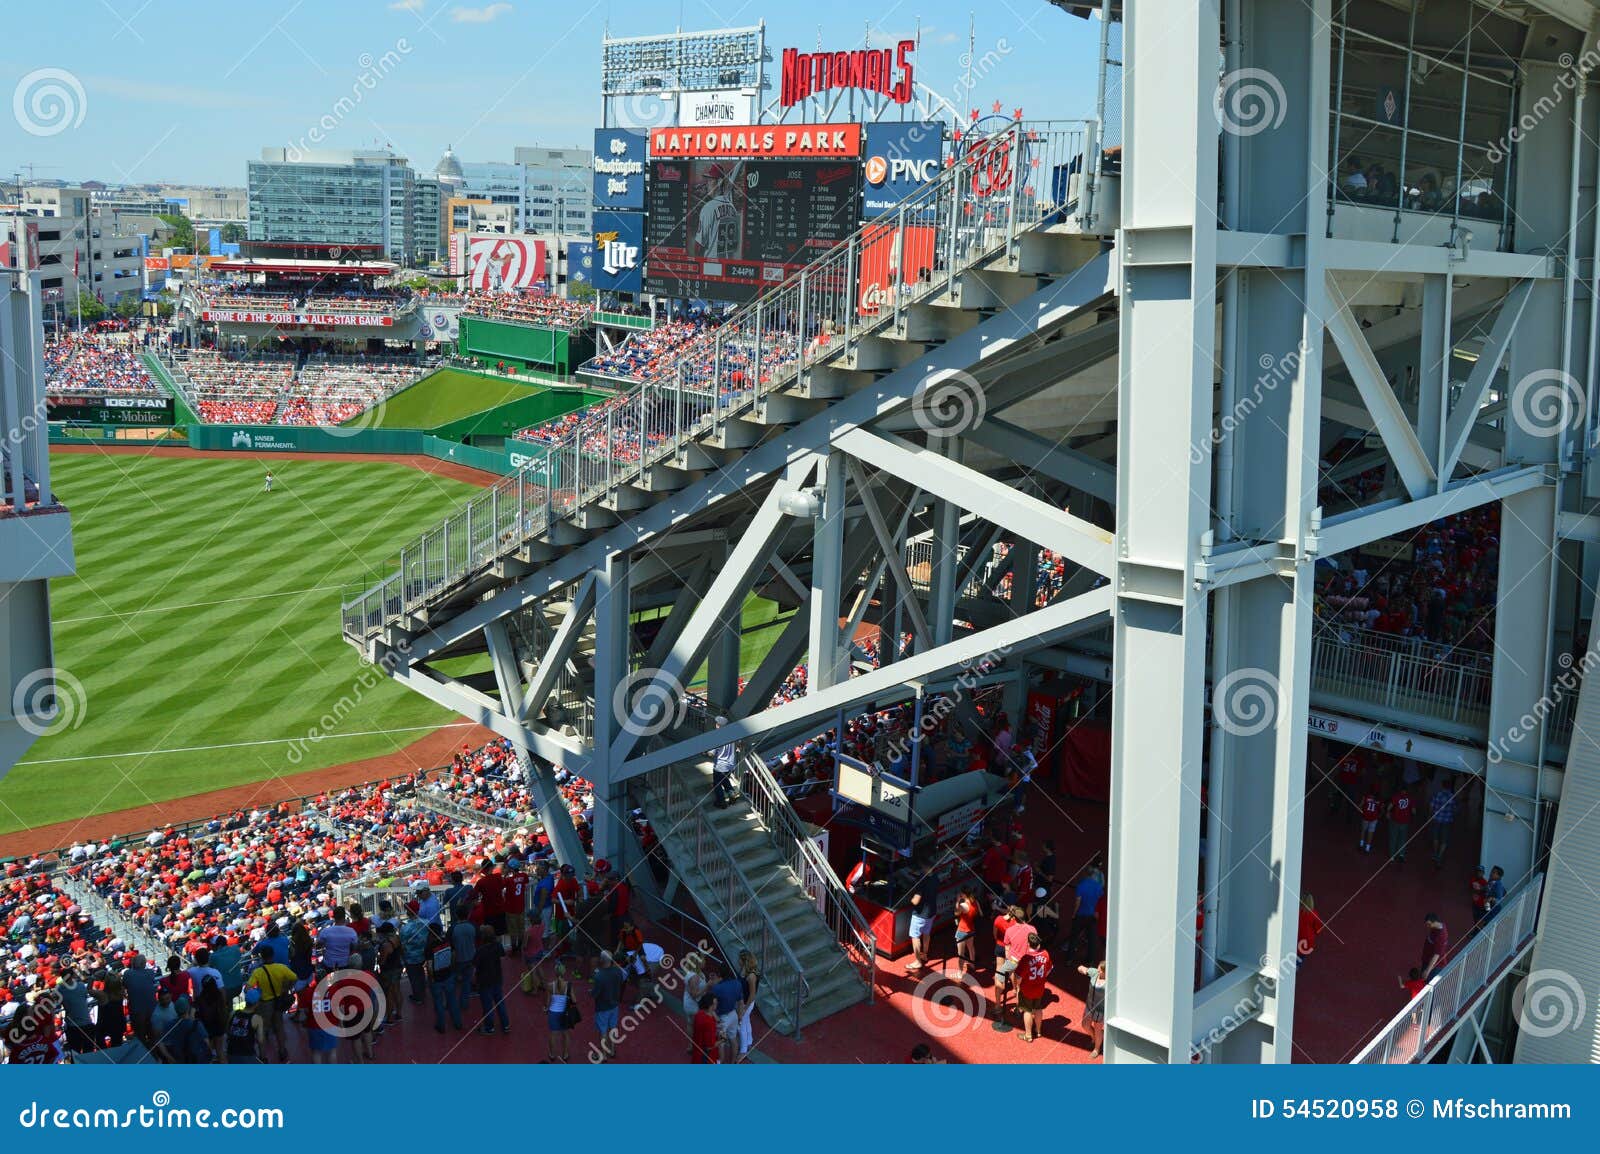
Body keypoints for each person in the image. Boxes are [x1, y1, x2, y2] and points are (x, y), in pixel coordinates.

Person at [243, 946, 297, 1062]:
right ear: (273, 955)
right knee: (279, 1027)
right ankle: (282, 1051)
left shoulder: (258, 972)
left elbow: (247, 988)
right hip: (278, 1002)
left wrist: (257, 993)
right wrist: (286, 988)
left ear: (261, 957)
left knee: (262, 1030)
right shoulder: (281, 968)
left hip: (264, 1004)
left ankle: (263, 1056)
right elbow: (294, 977)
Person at [1016, 931, 1053, 1043]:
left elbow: (1018, 976)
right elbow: (1049, 969)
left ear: (1028, 944)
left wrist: (1018, 986)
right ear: (1039, 944)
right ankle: (1038, 1031)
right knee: (1038, 1008)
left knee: (1027, 1011)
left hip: (1027, 988)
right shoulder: (1045, 954)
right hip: (1040, 987)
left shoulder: (1026, 958)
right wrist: (1042, 979)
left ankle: (1028, 1035)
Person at [474, 925, 510, 1035]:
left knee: (487, 1006)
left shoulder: (480, 951)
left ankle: (489, 1027)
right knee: (500, 1003)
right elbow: (503, 955)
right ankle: (505, 1025)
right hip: (497, 978)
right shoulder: (498, 946)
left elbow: (475, 966)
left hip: (485, 981)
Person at [591, 949, 626, 1059]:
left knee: (603, 1031)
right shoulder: (618, 971)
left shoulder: (599, 976)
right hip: (614, 1005)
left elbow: (594, 994)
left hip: (602, 1007)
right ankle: (612, 1050)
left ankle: (603, 1054)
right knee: (613, 1028)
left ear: (602, 960)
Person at [1065, 867, 1104, 966]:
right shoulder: (1099, 887)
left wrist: (1074, 914)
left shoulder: (1081, 885)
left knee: (1074, 937)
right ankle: (1090, 960)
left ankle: (1069, 959)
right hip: (1093, 916)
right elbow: (1101, 902)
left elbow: (1078, 902)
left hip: (1081, 915)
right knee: (1092, 939)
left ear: (1086, 874)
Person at [709, 965, 746, 1064]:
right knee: (733, 1039)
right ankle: (733, 1062)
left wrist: (716, 1019)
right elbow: (741, 1002)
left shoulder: (717, 988)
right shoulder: (737, 983)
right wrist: (740, 1017)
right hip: (733, 1014)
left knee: (721, 1043)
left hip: (722, 1018)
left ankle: (720, 1063)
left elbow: (711, 1005)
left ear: (719, 974)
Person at [56, 969, 96, 1054]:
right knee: (88, 1054)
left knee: (75, 1054)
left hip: (73, 1027)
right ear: (73, 976)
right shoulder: (81, 985)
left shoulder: (60, 990)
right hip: (85, 1025)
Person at [905, 869, 938, 972]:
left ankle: (917, 961)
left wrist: (909, 897)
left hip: (920, 914)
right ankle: (924, 954)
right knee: (926, 933)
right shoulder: (935, 877)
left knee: (915, 937)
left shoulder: (921, 881)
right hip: (931, 912)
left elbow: (915, 901)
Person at [226, 989, 268, 1063]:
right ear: (257, 1003)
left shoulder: (233, 1013)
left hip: (231, 1053)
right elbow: (260, 1041)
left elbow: (228, 1031)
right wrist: (263, 1057)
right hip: (247, 1055)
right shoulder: (257, 1019)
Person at [195, 976, 229, 1062]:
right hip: (219, 1026)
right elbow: (224, 1010)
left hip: (206, 1028)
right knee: (220, 1052)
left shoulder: (200, 998)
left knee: (208, 1054)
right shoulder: (219, 995)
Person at [1077, 960, 1107, 1058]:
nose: (1098, 972)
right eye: (1097, 969)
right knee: (1085, 1025)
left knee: (1098, 1029)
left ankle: (1097, 1049)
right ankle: (1095, 1037)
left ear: (1106, 972)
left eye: (1100, 971)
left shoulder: (1109, 981)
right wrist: (1081, 969)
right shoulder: (1095, 973)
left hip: (1100, 1010)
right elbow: (1082, 968)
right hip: (1089, 1006)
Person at [545, 963, 573, 1063]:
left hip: (553, 1012)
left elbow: (547, 1002)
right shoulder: (568, 985)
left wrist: (545, 1009)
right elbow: (574, 1000)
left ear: (555, 972)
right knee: (565, 1034)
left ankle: (552, 1054)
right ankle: (565, 1054)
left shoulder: (549, 986)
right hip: (564, 1013)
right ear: (564, 972)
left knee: (553, 1034)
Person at [737, 949, 761, 1060]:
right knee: (746, 1021)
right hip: (743, 1001)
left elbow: (752, 994)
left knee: (741, 1024)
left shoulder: (751, 976)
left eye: (739, 959)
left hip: (747, 1002)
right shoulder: (744, 970)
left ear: (744, 960)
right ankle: (749, 1040)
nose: (737, 961)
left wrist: (745, 1007)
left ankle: (743, 1051)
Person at [1429, 778, 1457, 867]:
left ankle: (1435, 853)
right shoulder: (1452, 796)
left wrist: (1431, 815)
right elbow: (1455, 809)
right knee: (1444, 840)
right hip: (1447, 821)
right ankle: (1439, 856)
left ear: (1442, 785)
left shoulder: (1437, 794)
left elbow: (1431, 806)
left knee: (1436, 837)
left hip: (1437, 819)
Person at [711, 715, 738, 807]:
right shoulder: (731, 734)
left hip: (720, 765)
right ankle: (732, 793)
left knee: (717, 784)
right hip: (730, 764)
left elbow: (712, 753)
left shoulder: (717, 737)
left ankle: (721, 802)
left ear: (718, 725)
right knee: (725, 780)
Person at [954, 889, 981, 977]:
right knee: (971, 948)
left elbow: (956, 913)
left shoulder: (964, 905)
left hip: (962, 930)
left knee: (961, 953)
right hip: (971, 928)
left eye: (961, 893)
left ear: (964, 894)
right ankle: (972, 964)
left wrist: (957, 901)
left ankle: (960, 973)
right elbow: (980, 913)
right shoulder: (975, 902)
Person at [1387, 783, 1415, 864]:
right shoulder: (1410, 798)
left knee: (1393, 838)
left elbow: (1390, 806)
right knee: (1402, 839)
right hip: (1405, 822)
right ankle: (1401, 855)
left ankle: (1392, 856)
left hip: (1395, 820)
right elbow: (1413, 811)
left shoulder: (1396, 797)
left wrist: (1388, 812)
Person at [690, 991, 720, 1063]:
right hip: (706, 1057)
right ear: (710, 1006)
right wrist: (722, 1040)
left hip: (697, 1050)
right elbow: (710, 1046)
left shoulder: (699, 1014)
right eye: (715, 1003)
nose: (717, 1004)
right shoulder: (709, 1022)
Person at [1420, 913, 1449, 980]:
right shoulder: (1437, 926)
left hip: (1434, 965)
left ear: (1435, 922)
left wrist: (1427, 971)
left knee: (1427, 982)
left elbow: (1436, 955)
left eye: (1429, 924)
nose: (1428, 926)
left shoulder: (1441, 936)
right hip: (1428, 959)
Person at [1297, 894, 1323, 965]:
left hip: (1297, 936)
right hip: (1308, 940)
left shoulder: (1297, 912)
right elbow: (1318, 929)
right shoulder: (1314, 914)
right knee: (1301, 956)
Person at [1358, 782, 1383, 853]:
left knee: (1363, 830)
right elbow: (1381, 809)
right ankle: (1367, 848)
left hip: (1365, 816)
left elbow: (1360, 805)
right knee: (1370, 832)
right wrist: (1379, 816)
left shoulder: (1366, 796)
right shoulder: (1379, 799)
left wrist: (1360, 809)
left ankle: (1361, 844)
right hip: (1374, 818)